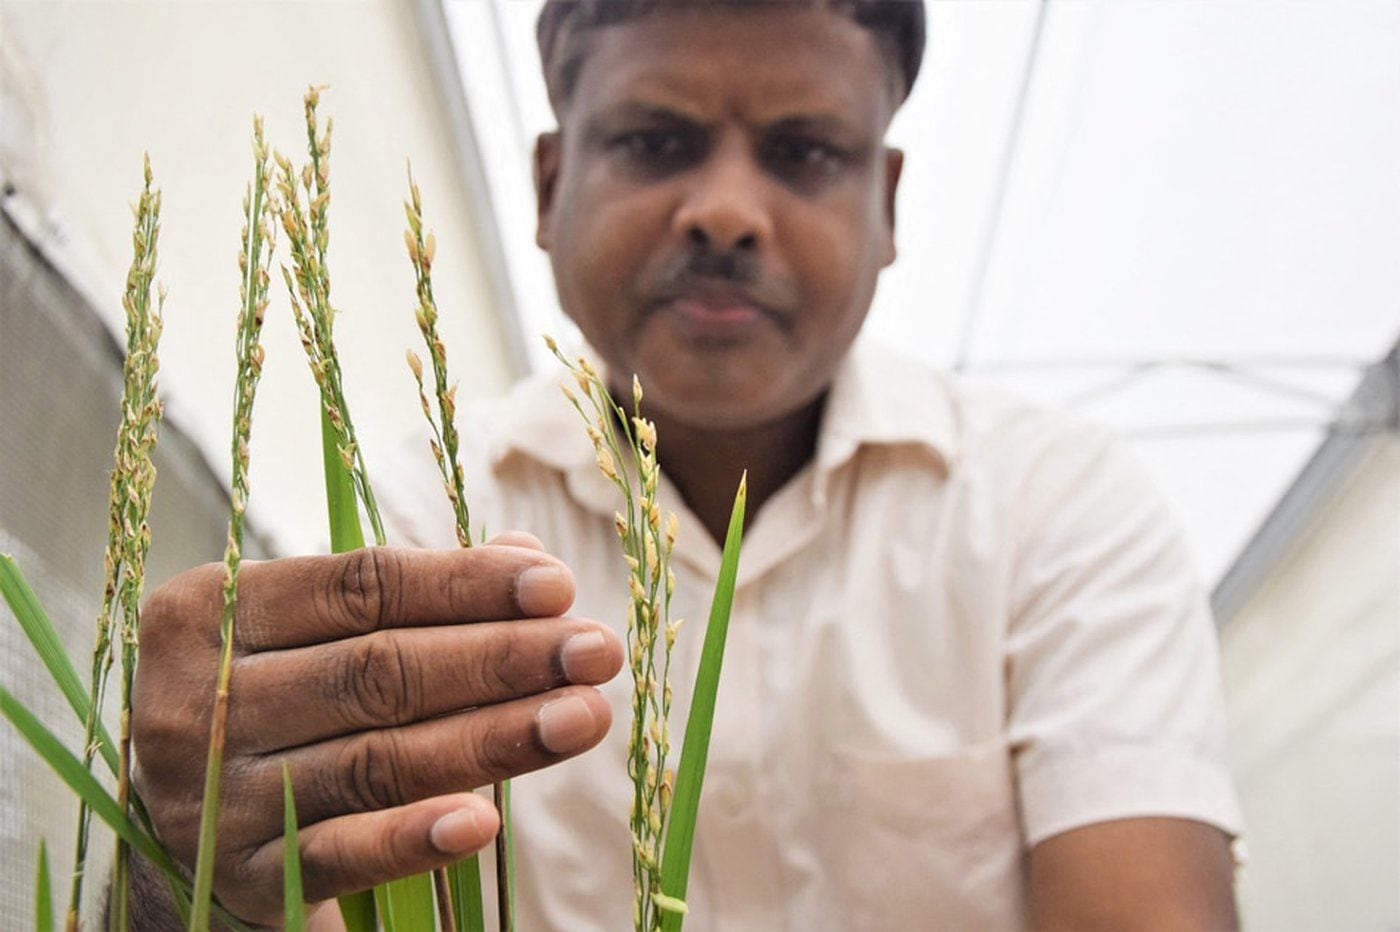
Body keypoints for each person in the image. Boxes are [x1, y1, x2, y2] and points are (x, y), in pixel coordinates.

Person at [130, 1, 1242, 928]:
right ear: (549, 184)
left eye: (805, 153)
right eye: (655, 142)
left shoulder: (1053, 505)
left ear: (887, 202)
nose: (723, 212)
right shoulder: (423, 519)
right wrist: (196, 858)